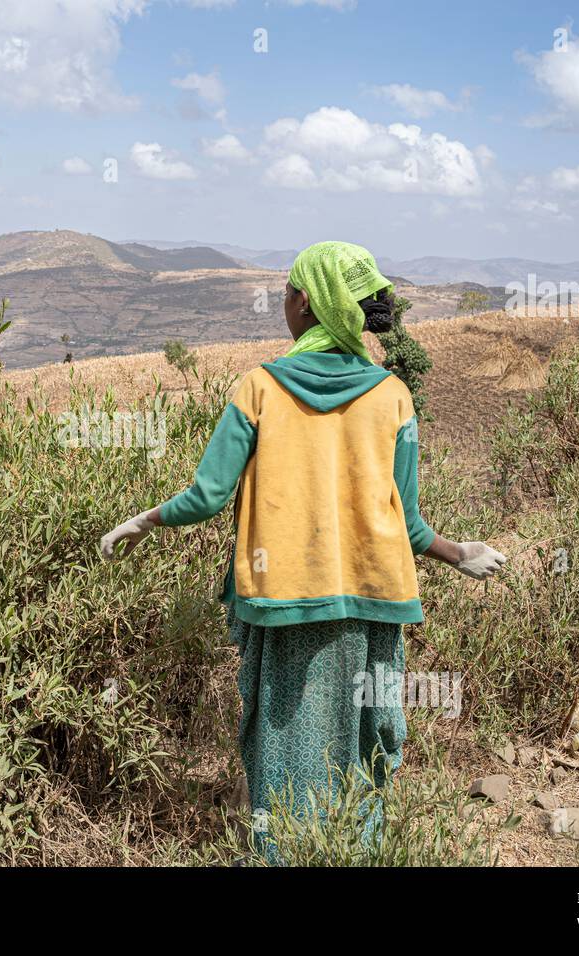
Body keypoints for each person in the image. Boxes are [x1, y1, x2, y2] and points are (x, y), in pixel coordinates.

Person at [98, 240, 506, 860]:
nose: (284, 302)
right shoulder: (392, 395)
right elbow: (410, 523)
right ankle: (353, 852)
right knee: (362, 740)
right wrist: (458, 553)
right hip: (374, 601)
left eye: (289, 291)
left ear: (308, 302)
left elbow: (208, 496)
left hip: (285, 596)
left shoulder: (259, 387)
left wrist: (145, 519)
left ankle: (283, 852)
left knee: (283, 742)